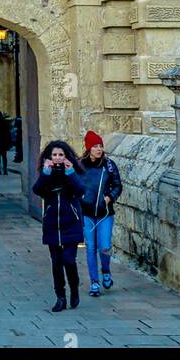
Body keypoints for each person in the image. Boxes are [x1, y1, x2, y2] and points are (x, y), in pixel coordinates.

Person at [32, 139, 84, 311]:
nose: (57, 158)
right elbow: (38, 190)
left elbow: (80, 190)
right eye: (54, 155)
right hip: (53, 224)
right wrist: (46, 172)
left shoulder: (72, 172)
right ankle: (60, 297)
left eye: (60, 154)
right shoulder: (47, 173)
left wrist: (70, 172)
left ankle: (74, 289)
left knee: (69, 260)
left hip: (70, 223)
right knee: (56, 262)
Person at [79, 131, 122, 296]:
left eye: (101, 146)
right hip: (87, 212)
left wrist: (110, 197)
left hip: (105, 213)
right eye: (95, 146)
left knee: (104, 246)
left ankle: (106, 270)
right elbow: (75, 185)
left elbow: (117, 185)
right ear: (89, 147)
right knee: (90, 247)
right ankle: (94, 282)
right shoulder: (80, 165)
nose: (99, 149)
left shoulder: (109, 165)